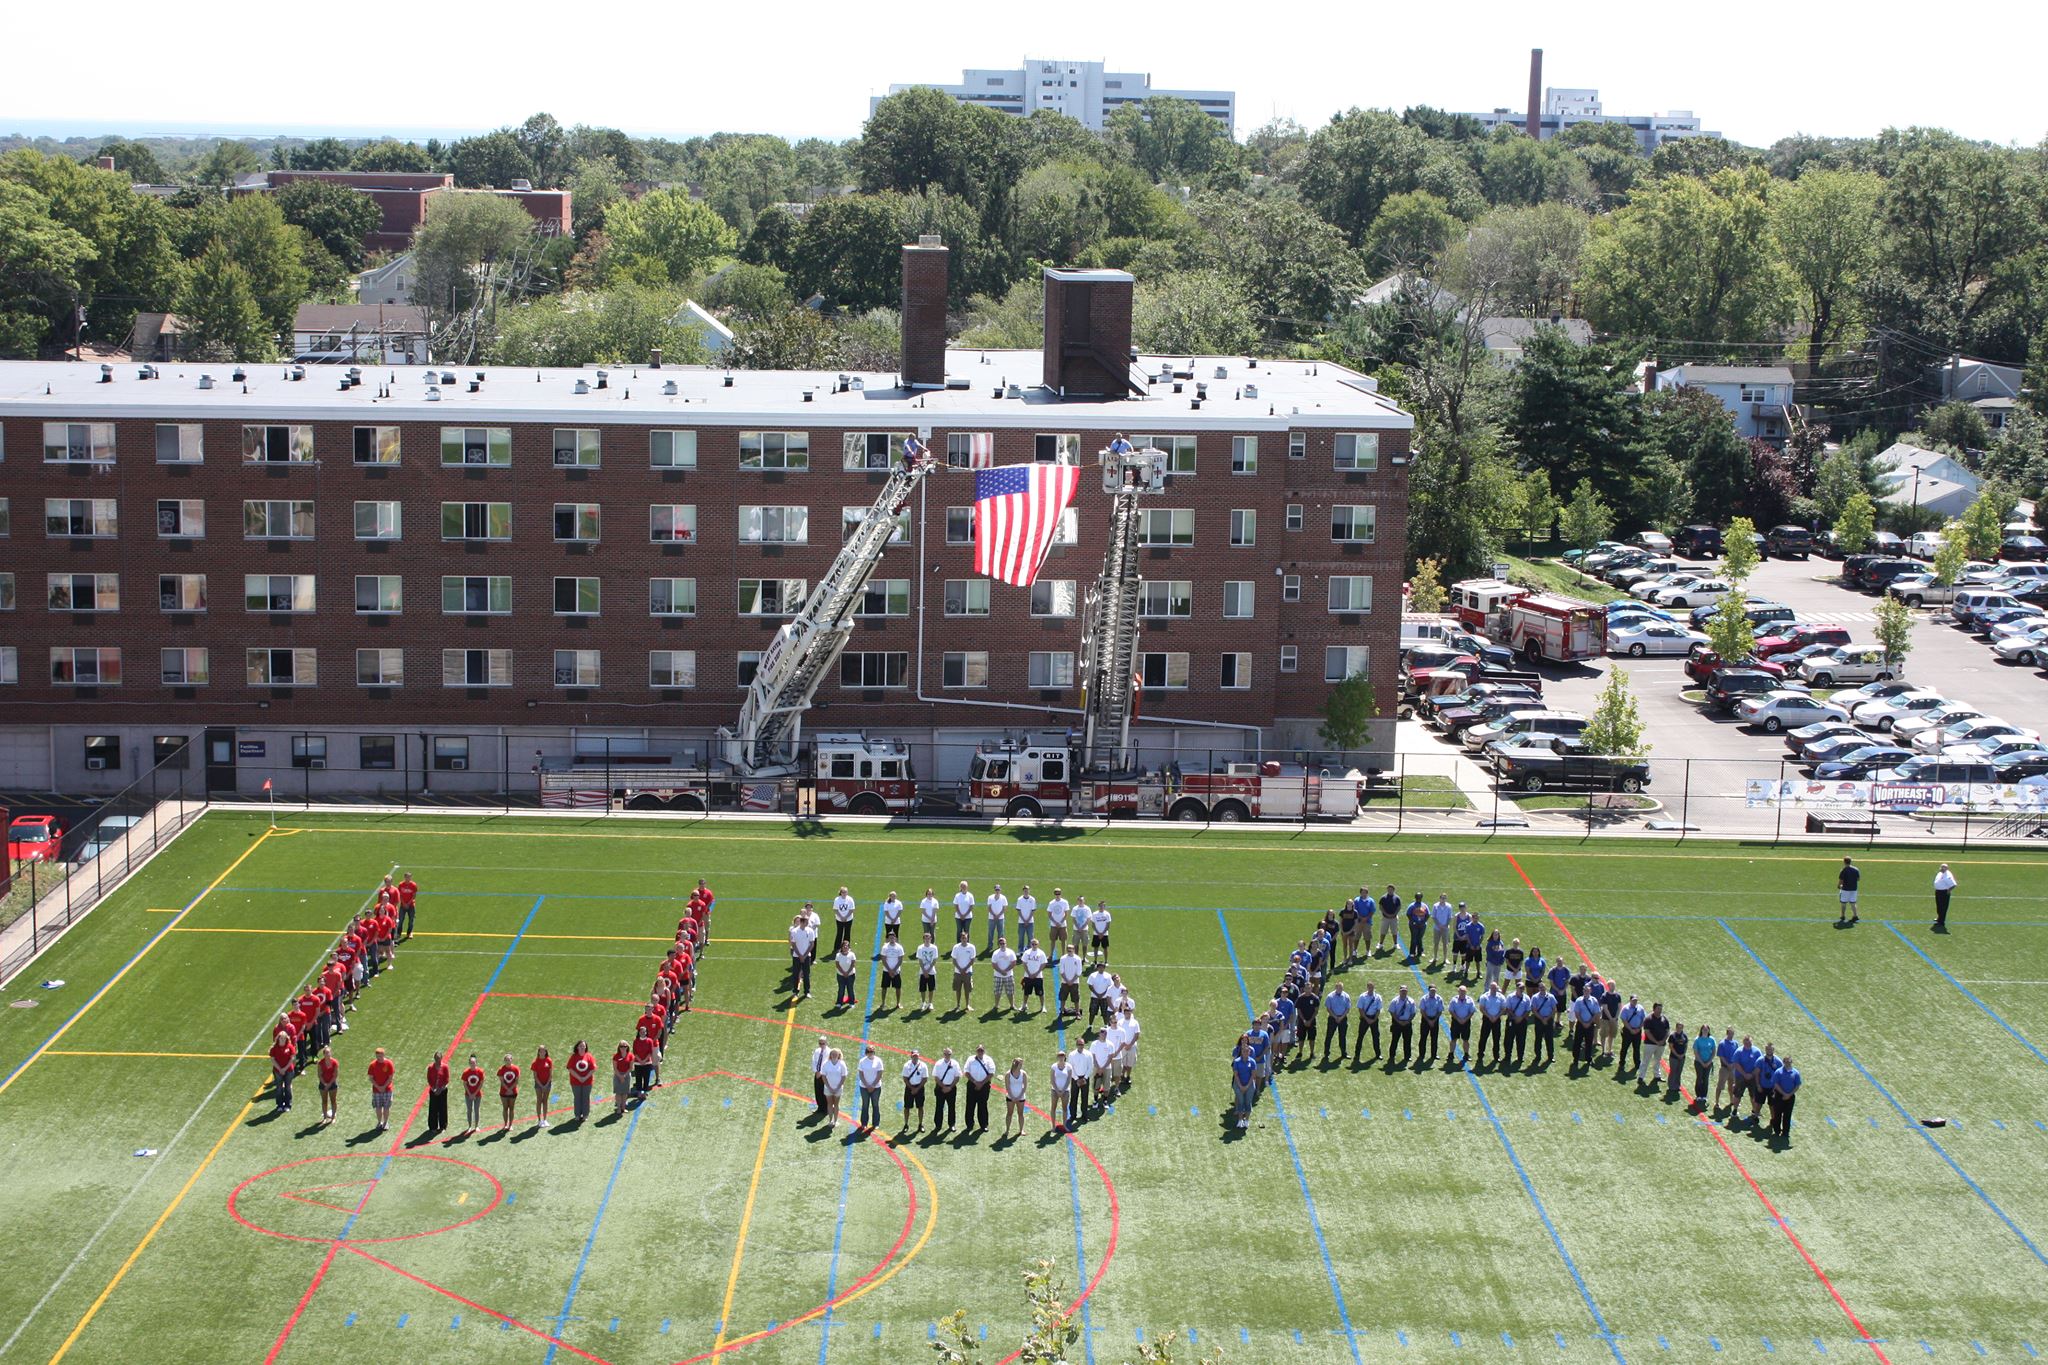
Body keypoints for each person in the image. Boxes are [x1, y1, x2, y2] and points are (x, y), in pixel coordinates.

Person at [963, 1045, 996, 1133]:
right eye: (978, 1050)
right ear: (976, 1051)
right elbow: (966, 1072)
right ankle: (969, 1125)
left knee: (983, 1106)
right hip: (972, 1085)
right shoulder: (970, 1059)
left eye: (981, 1050)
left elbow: (991, 1073)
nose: (980, 1052)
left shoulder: (989, 1060)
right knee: (970, 1105)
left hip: (984, 1086)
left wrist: (981, 1083)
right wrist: (975, 1082)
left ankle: (984, 1125)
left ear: (984, 1051)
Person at [1769, 1054, 1801, 1138]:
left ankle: (1786, 1132)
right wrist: (1784, 1094)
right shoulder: (1778, 1072)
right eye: (1786, 1062)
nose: (1787, 1063)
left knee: (1787, 1115)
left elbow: (1797, 1085)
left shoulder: (1795, 1073)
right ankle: (1777, 1130)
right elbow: (1776, 1084)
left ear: (1791, 1062)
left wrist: (1789, 1095)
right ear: (1783, 1062)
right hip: (1779, 1096)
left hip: (1790, 1097)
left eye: (1789, 1062)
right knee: (1777, 1114)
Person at [365, 1047, 395, 1131]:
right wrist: (378, 1087)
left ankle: (385, 1122)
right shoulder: (372, 1065)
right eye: (377, 1056)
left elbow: (391, 1077)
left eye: (380, 1056)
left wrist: (384, 1087)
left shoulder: (389, 1063)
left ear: (383, 1055)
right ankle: (379, 1122)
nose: (379, 1058)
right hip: (376, 1090)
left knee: (386, 1107)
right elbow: (371, 1078)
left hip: (387, 1089)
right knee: (378, 1107)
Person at [1616, 995, 1646, 1081]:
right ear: (1630, 1000)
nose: (1635, 1002)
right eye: (1633, 1000)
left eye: (1636, 1000)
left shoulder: (1640, 1008)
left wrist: (1639, 1028)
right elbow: (1624, 1020)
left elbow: (1643, 1019)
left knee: (1636, 1048)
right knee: (1624, 1048)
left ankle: (1637, 1064)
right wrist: (1630, 1029)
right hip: (1628, 1031)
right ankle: (1622, 1063)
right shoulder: (1626, 1008)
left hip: (1637, 1031)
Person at [855, 1045, 884, 1132]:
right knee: (865, 1105)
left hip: (876, 1087)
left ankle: (876, 1123)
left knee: (875, 1105)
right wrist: (867, 1085)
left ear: (874, 1052)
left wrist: (873, 1085)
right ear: (866, 1053)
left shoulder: (878, 1061)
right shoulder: (862, 1061)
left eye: (872, 1051)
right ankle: (864, 1123)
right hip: (864, 1087)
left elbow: (880, 1074)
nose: (870, 1053)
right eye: (868, 1052)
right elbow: (861, 1074)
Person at [788, 912, 817, 1000]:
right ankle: (795, 991)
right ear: (802, 922)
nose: (807, 923)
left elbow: (812, 944)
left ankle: (807, 991)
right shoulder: (794, 931)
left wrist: (804, 955)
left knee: (806, 974)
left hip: (806, 956)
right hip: (796, 956)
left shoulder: (810, 931)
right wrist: (800, 955)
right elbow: (793, 944)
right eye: (806, 921)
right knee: (796, 974)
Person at [268, 1027, 297, 1115]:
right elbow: (273, 1060)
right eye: (281, 1038)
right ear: (278, 1038)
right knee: (279, 1088)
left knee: (287, 1087)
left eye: (284, 1038)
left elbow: (292, 1059)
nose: (283, 1040)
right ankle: (279, 1105)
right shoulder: (274, 1048)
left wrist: (284, 1068)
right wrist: (280, 1069)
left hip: (288, 1070)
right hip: (278, 1071)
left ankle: (288, 1104)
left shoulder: (290, 1047)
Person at [1354, 980, 1384, 1065]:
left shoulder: (1378, 997)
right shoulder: (1362, 996)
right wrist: (1367, 1019)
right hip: (1365, 1018)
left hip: (1374, 1018)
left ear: (1374, 987)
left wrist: (1374, 1019)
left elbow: (1378, 1009)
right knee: (1360, 1037)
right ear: (1367, 987)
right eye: (1369, 987)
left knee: (1376, 1036)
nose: (1371, 989)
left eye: (1372, 987)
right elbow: (1360, 1009)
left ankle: (1378, 1054)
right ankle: (1357, 1054)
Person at [932, 1047, 961, 1132]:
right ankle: (938, 1125)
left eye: (949, 1054)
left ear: (951, 1054)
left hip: (951, 1088)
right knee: (939, 1107)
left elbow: (957, 1077)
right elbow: (936, 1077)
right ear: (943, 1054)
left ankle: (952, 1124)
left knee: (951, 1107)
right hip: (940, 1088)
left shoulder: (955, 1064)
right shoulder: (938, 1063)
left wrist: (950, 1087)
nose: (947, 1055)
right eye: (946, 1054)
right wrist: (943, 1087)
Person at [1231, 1039, 1258, 1129]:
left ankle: (1246, 1120)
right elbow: (1236, 1075)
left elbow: (1253, 1075)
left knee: (1248, 1102)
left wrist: (1246, 1086)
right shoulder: (1237, 1061)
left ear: (1249, 1052)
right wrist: (1240, 1086)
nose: (1245, 1053)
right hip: (1238, 1085)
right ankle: (1240, 1120)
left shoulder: (1252, 1062)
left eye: (1247, 1051)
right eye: (1244, 1051)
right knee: (1240, 1102)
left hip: (1249, 1085)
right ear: (1241, 1052)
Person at [1387, 985, 1417, 1066]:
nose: (1403, 992)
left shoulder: (1411, 1001)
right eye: (1402, 991)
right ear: (1399, 991)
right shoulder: (1395, 1001)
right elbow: (1392, 1012)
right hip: (1397, 1024)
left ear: (1407, 991)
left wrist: (1408, 1021)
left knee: (1407, 1041)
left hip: (1407, 1024)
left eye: (1405, 991)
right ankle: (1392, 1056)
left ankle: (1407, 1056)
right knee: (1394, 1040)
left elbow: (1413, 1013)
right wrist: (1398, 1021)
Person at [900, 1049, 930, 1132]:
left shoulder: (923, 1065)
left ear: (918, 1056)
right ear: (911, 1056)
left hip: (919, 1088)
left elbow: (925, 1078)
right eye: (914, 1056)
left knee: (920, 1107)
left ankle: (920, 1124)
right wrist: (912, 1088)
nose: (915, 1057)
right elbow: (905, 1078)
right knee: (907, 1107)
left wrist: (917, 1088)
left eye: (916, 1056)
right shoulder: (906, 1065)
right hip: (909, 1088)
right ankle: (906, 1124)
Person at [1640, 1003, 1669, 1086]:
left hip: (1661, 1044)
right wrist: (1656, 1041)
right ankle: (1641, 1077)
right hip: (1650, 1044)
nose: (1660, 1010)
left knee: (1657, 1060)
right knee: (1646, 1060)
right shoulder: (1648, 1019)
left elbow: (1667, 1031)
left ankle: (1657, 1075)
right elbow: (1647, 1032)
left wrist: (1663, 1040)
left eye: (1661, 1009)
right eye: (1658, 1009)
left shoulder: (1664, 1019)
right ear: (1654, 1009)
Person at [1322, 981, 1352, 1062]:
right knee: (1329, 1036)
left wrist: (1341, 1017)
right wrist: (1335, 1017)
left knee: (1342, 1036)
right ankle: (1326, 1053)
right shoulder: (1330, 996)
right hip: (1332, 1018)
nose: (1340, 989)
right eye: (1338, 988)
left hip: (1343, 1018)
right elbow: (1328, 1008)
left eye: (1341, 988)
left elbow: (1348, 1008)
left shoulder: (1346, 996)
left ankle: (1344, 1053)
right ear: (1335, 988)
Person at [1446, 985, 1475, 1066]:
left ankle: (1466, 1054)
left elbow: (1472, 1011)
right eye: (1461, 991)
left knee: (1466, 1039)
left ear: (1466, 992)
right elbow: (1451, 1011)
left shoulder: (1470, 1000)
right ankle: (1451, 1054)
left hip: (1466, 1022)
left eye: (1464, 992)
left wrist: (1465, 1019)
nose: (1462, 993)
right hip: (1456, 1022)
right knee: (1454, 1039)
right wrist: (1458, 1019)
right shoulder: (1454, 1000)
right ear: (1458, 992)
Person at [1019, 938, 1049, 1014]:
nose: (1034, 945)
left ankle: (1043, 1006)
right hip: (1027, 976)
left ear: (1038, 945)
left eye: (1035, 944)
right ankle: (1024, 1005)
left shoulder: (1041, 953)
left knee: (1040, 992)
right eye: (1033, 944)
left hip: (1038, 977)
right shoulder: (1026, 953)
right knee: (1026, 992)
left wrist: (1036, 973)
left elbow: (1043, 964)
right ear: (1030, 944)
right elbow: (1024, 963)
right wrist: (1029, 973)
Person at [567, 1042, 594, 1122]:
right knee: (577, 1098)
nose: (582, 1047)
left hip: (587, 1082)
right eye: (580, 1046)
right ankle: (577, 1115)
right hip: (575, 1082)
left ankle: (585, 1115)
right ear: (577, 1047)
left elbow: (593, 1069)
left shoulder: (589, 1056)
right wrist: (579, 1078)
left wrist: (585, 1078)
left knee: (586, 1098)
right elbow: (570, 1068)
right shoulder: (573, 1057)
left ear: (586, 1047)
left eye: (583, 1046)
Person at [819, 1047, 847, 1126]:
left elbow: (844, 1076)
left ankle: (835, 1120)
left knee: (836, 1104)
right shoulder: (826, 1063)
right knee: (829, 1104)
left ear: (839, 1055)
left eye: (836, 1054)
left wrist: (838, 1087)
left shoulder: (842, 1064)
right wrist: (829, 1087)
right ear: (830, 1055)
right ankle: (830, 1120)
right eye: (832, 1054)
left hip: (838, 1088)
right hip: (828, 1088)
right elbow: (823, 1076)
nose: (834, 1055)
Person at [1418, 984, 1445, 1066]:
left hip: (1435, 1019)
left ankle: (1434, 1054)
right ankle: (1421, 1054)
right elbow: (1422, 1011)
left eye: (1434, 990)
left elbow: (1440, 1011)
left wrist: (1434, 1020)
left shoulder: (1439, 999)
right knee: (1423, 1038)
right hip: (1425, 1019)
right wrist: (1428, 1020)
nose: (1433, 992)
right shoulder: (1424, 998)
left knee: (1434, 1038)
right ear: (1428, 990)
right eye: (1431, 990)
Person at [950, 933, 977, 1011]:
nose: (964, 939)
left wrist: (965, 969)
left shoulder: (971, 947)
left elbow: (972, 960)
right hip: (958, 972)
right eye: (962, 938)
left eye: (965, 938)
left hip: (967, 972)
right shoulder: (956, 947)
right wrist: (960, 969)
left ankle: (967, 1005)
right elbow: (954, 960)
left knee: (967, 989)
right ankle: (958, 1005)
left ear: (967, 938)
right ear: (960, 939)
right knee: (958, 989)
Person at [1002, 1058, 1029, 1138]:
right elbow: (1007, 1087)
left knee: (1020, 1114)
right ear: (1016, 1065)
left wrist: (1019, 1096)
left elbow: (1025, 1086)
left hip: (1021, 1097)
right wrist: (1012, 1097)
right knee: (1009, 1113)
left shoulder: (1023, 1073)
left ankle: (1021, 1130)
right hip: (1010, 1097)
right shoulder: (1008, 1074)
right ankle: (1007, 1130)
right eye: (1020, 1064)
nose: (1021, 1065)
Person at [1713, 1028, 1739, 1111]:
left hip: (1733, 1068)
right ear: (1727, 1033)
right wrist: (1728, 1064)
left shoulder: (1735, 1043)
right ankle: (1717, 1102)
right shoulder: (1722, 1043)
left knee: (1732, 1086)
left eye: (1732, 1033)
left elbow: (1737, 1055)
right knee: (1720, 1086)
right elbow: (1721, 1056)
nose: (1731, 1035)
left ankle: (1732, 1100)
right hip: (1724, 1068)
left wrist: (1733, 1065)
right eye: (1730, 1033)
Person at [1056, 946, 1084, 1020]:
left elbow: (1079, 971)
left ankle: (1077, 1013)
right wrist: (1067, 980)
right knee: (1063, 998)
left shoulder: (1078, 959)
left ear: (1074, 950)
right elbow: (1061, 971)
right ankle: (1062, 1011)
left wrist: (1072, 981)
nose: (1069, 950)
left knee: (1076, 998)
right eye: (1068, 949)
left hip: (1075, 983)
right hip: (1064, 982)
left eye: (1071, 949)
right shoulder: (1063, 958)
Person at [879, 935, 906, 1010]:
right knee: (884, 987)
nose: (892, 939)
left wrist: (894, 970)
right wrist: (889, 970)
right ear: (888, 939)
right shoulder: (885, 947)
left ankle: (898, 1003)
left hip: (896, 971)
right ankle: (883, 1003)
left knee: (898, 988)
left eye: (893, 937)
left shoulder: (899, 947)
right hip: (886, 971)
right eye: (890, 938)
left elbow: (900, 960)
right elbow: (883, 960)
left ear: (895, 938)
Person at [1690, 1024, 1717, 1102]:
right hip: (1699, 1062)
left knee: (1705, 1079)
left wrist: (1708, 1062)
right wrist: (1702, 1062)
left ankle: (1704, 1095)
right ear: (1701, 1030)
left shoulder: (1712, 1040)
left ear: (1708, 1030)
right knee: (1699, 1078)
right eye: (1704, 1029)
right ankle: (1698, 1095)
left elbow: (1713, 1052)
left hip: (1708, 1062)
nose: (1705, 1031)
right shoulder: (1697, 1040)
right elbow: (1696, 1052)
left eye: (1706, 1029)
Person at [426, 1050, 450, 1132]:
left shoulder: (445, 1067)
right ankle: (433, 1127)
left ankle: (443, 1126)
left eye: (439, 1059)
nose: (437, 1060)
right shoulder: (430, 1068)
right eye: (436, 1059)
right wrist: (433, 1088)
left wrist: (440, 1089)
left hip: (442, 1091)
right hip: (433, 1091)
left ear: (441, 1058)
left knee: (442, 1108)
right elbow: (429, 1079)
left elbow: (447, 1079)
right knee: (433, 1109)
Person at [1086, 960, 1116, 1027]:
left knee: (1105, 1012)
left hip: (1104, 998)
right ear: (1097, 968)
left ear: (1104, 968)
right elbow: (1090, 985)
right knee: (1092, 1012)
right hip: (1094, 997)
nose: (1101, 969)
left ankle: (1106, 1025)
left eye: (1102, 967)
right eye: (1100, 967)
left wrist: (1103, 994)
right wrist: (1097, 994)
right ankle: (1090, 1025)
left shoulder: (1108, 976)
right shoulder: (1092, 975)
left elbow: (1110, 986)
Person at [915, 932, 940, 1012]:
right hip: (922, 971)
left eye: (928, 938)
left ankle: (930, 1003)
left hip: (931, 971)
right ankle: (923, 1002)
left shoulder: (934, 948)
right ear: (923, 939)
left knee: (931, 988)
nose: (927, 940)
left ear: (931, 939)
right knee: (922, 988)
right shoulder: (920, 948)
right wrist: (924, 970)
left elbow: (934, 960)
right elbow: (920, 960)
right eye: (925, 938)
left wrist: (928, 970)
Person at [462, 1054, 486, 1133]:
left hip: (478, 1094)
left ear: (476, 1063)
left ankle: (476, 1126)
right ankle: (469, 1126)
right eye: (471, 1063)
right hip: (468, 1095)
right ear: (469, 1063)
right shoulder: (466, 1072)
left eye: (474, 1062)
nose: (473, 1064)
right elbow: (465, 1084)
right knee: (469, 1110)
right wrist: (470, 1094)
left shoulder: (480, 1072)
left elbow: (481, 1083)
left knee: (476, 1110)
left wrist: (474, 1094)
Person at [809, 1035, 832, 1118]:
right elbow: (814, 1061)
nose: (821, 1045)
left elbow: (827, 1063)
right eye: (820, 1043)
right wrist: (816, 1071)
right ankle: (820, 1107)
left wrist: (821, 1072)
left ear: (826, 1043)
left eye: (823, 1043)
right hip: (817, 1074)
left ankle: (825, 1109)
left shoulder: (829, 1052)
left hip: (825, 1075)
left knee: (825, 1092)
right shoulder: (817, 1051)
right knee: (818, 1091)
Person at [531, 1045, 554, 1129]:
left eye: (544, 1051)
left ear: (546, 1052)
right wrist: (541, 1085)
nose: (542, 1052)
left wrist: (546, 1084)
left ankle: (545, 1119)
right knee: (539, 1101)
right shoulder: (535, 1062)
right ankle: (539, 1120)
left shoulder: (549, 1060)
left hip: (547, 1084)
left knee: (545, 1101)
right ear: (538, 1052)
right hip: (538, 1085)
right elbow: (535, 1076)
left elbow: (551, 1074)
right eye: (540, 1051)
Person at [630, 1027, 657, 1097]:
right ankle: (639, 1092)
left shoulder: (649, 1041)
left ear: (646, 1032)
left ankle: (644, 1092)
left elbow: (650, 1052)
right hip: (637, 1063)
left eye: (644, 1032)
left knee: (646, 1078)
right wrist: (640, 1061)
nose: (643, 1033)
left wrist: (644, 1061)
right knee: (638, 1078)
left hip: (647, 1063)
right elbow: (635, 1052)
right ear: (639, 1032)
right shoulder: (636, 1041)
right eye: (641, 1032)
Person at [1049, 1050, 1073, 1131]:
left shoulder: (1069, 1066)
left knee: (1065, 1108)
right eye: (1059, 1055)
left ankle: (1065, 1126)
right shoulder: (1054, 1066)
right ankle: (1053, 1126)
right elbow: (1052, 1080)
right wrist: (1057, 1090)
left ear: (1065, 1057)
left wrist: (1062, 1091)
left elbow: (1068, 1080)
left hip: (1065, 1091)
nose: (1061, 1057)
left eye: (1062, 1055)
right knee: (1053, 1107)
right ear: (1057, 1057)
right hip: (1054, 1090)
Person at [496, 1053, 521, 1129]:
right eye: (506, 1060)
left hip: (513, 1092)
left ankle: (510, 1125)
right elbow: (502, 1082)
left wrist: (510, 1089)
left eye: (509, 1060)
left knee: (511, 1108)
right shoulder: (501, 1069)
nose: (508, 1061)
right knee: (505, 1108)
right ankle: (505, 1124)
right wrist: (508, 1089)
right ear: (504, 1061)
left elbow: (516, 1081)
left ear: (511, 1060)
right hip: (504, 1092)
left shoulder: (516, 1069)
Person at [316, 1045, 339, 1125]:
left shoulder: (335, 1062)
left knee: (333, 1100)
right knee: (324, 1101)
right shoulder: (320, 1063)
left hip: (332, 1084)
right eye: (326, 1053)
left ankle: (333, 1117)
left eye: (329, 1053)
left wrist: (329, 1084)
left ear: (331, 1053)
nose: (328, 1055)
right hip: (323, 1084)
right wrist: (325, 1084)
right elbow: (319, 1075)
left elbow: (335, 1075)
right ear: (324, 1054)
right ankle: (325, 1118)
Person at [831, 886, 858, 954]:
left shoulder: (850, 899)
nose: (844, 893)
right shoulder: (837, 899)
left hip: (848, 919)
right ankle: (837, 948)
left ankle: (847, 947)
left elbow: (852, 909)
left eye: (846, 892)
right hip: (839, 919)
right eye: (843, 892)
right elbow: (835, 909)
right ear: (840, 893)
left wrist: (846, 917)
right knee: (839, 933)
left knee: (847, 933)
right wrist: (841, 917)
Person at [984, 884, 1009, 956]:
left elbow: (1004, 908)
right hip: (991, 918)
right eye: (996, 890)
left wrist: (998, 915)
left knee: (1000, 933)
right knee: (990, 932)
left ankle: (1000, 945)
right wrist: (994, 915)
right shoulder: (990, 897)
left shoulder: (1003, 898)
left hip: (1000, 918)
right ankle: (990, 946)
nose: (997, 891)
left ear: (1000, 890)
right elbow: (989, 908)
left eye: (998, 890)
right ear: (994, 890)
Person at [833, 941, 859, 1009]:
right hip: (840, 975)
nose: (845, 947)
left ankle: (851, 1002)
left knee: (850, 989)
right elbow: (837, 965)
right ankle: (839, 1002)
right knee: (841, 989)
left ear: (849, 947)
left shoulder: (852, 954)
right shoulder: (838, 955)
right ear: (841, 947)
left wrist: (847, 972)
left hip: (850, 975)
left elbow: (853, 964)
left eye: (847, 946)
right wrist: (843, 973)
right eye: (844, 946)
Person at [1046, 889, 1071, 957]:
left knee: (1063, 940)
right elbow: (1049, 914)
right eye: (1056, 894)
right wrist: (1055, 922)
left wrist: (1060, 922)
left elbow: (1066, 914)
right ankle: (1051, 955)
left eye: (1058, 893)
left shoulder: (1065, 902)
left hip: (1063, 925)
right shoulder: (1051, 903)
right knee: (1052, 940)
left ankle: (1063, 955)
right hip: (1053, 925)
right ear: (1054, 894)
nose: (1057, 895)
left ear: (1061, 894)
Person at [1837, 856, 1861, 926]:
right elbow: (1858, 879)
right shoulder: (1856, 869)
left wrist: (1839, 886)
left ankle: (1843, 916)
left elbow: (1841, 880)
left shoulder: (1843, 870)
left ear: (1844, 862)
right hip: (1854, 889)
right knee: (1853, 903)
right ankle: (1855, 916)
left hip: (1845, 890)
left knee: (1843, 903)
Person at [1933, 863, 1957, 931]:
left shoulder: (1947, 875)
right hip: (1938, 891)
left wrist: (1948, 891)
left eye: (1944, 867)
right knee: (1939, 906)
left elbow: (1954, 884)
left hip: (1943, 893)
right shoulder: (1940, 873)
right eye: (1941, 867)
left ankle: (1941, 922)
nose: (1942, 868)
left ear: (1946, 868)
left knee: (1943, 907)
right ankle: (1939, 918)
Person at [610, 1041, 632, 1117]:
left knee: (625, 1093)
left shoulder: (630, 1056)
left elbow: (630, 1068)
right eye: (621, 1046)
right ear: (619, 1048)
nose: (623, 1048)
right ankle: (619, 1108)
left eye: (625, 1046)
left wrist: (624, 1076)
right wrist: (620, 1076)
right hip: (617, 1075)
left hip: (626, 1075)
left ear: (627, 1047)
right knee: (618, 1093)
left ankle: (623, 1107)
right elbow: (615, 1068)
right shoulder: (616, 1056)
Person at [1406, 893, 1429, 961]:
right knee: (1414, 938)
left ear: (1421, 898)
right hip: (1413, 925)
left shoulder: (1424, 905)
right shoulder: (1412, 905)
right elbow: (1408, 914)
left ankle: (1420, 952)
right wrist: (1413, 921)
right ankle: (1412, 952)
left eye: (1420, 897)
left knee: (1419, 938)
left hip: (1422, 925)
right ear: (1415, 898)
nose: (1418, 899)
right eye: (1417, 897)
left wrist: (1423, 921)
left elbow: (1428, 914)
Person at [396, 871, 419, 940]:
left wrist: (408, 903)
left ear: (411, 878)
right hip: (403, 905)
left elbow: (414, 896)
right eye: (406, 877)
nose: (408, 879)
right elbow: (399, 895)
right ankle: (398, 933)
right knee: (400, 920)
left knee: (411, 920)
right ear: (404, 877)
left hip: (411, 905)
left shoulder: (414, 885)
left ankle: (409, 933)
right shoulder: (401, 885)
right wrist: (403, 903)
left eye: (409, 877)